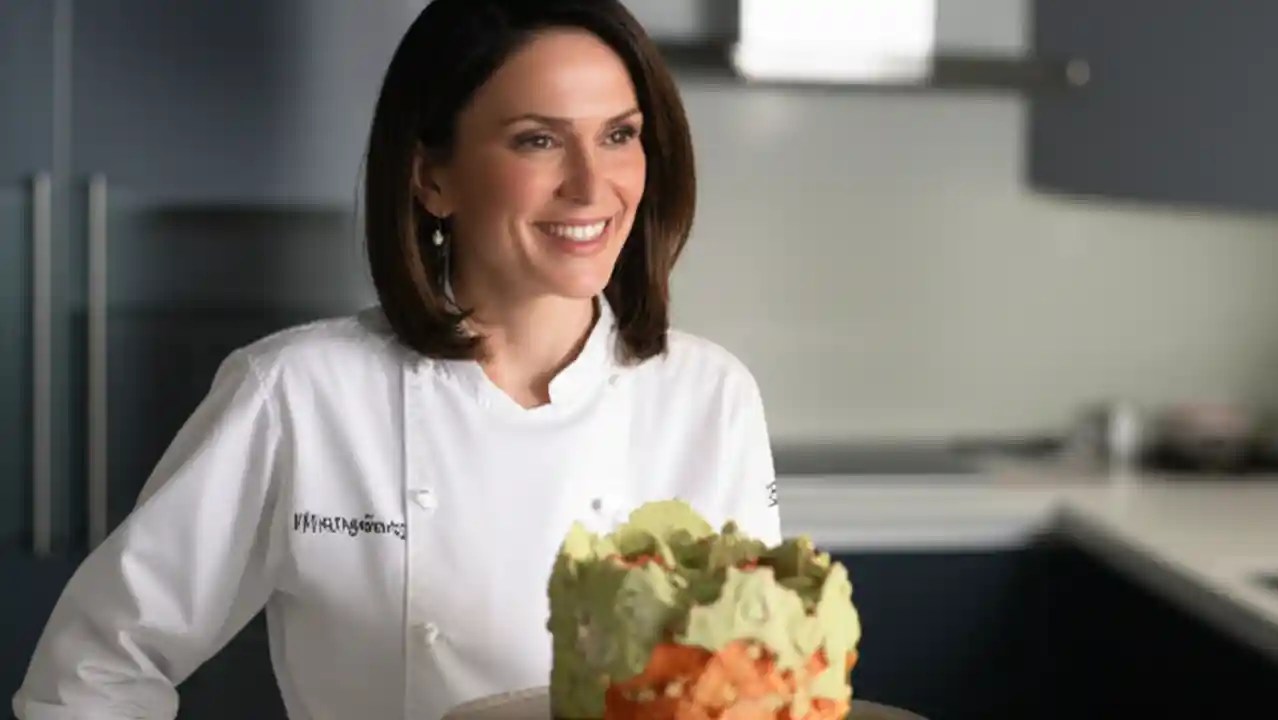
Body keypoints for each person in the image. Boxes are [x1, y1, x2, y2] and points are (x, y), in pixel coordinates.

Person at [12, 1, 782, 718]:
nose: (592, 185)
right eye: (538, 139)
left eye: (619, 134)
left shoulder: (708, 398)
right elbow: (91, 672)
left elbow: (755, 685)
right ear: (432, 177)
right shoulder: (299, 396)